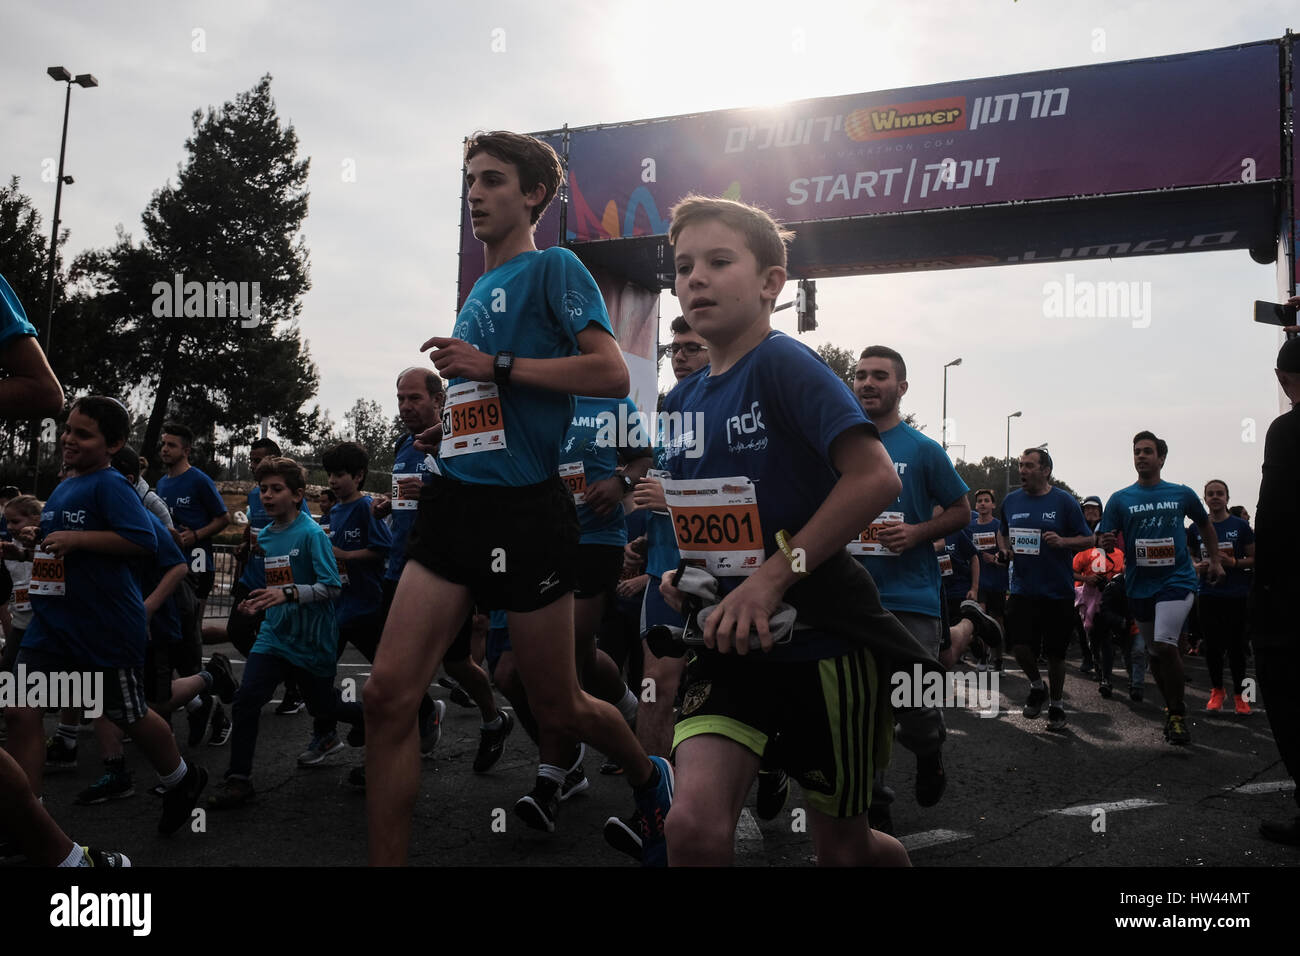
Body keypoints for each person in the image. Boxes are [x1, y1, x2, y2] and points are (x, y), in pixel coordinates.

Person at [363, 130, 672, 866]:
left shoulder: (555, 268)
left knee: (559, 703)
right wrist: (457, 425)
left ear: (534, 194)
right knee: (384, 696)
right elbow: (494, 401)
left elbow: (608, 375)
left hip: (528, 514)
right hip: (454, 506)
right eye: (469, 180)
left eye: (493, 180)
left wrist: (492, 365)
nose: (475, 192)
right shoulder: (477, 289)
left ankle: (647, 777)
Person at [656, 194, 941, 867]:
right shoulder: (680, 401)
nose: (695, 277)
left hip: (823, 645)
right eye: (683, 265)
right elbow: (714, 515)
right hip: (727, 649)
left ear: (770, 283)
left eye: (718, 261)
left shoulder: (787, 365)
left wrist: (768, 581)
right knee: (691, 829)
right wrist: (689, 574)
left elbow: (875, 478)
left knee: (845, 851)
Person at [4, 396, 208, 834]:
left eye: (83, 433)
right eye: (68, 430)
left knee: (127, 713)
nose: (68, 439)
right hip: (52, 623)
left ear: (114, 443)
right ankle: (28, 823)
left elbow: (142, 542)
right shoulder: (64, 486)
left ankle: (182, 779)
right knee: (20, 709)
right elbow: (61, 546)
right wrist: (32, 544)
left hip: (103, 627)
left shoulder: (111, 484)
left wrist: (76, 540)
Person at [851, 345, 990, 822]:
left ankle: (930, 752)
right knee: (862, 713)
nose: (868, 383)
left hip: (910, 601)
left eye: (880, 376)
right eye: (861, 375)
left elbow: (961, 511)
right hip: (850, 600)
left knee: (915, 712)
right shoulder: (838, 445)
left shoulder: (923, 449)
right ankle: (875, 808)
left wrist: (915, 533)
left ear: (901, 388)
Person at [208, 456, 357, 807]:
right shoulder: (268, 538)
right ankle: (239, 780)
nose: (267, 496)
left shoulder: (310, 534)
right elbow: (278, 585)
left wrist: (287, 593)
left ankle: (373, 720)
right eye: (263, 489)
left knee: (325, 704)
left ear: (298, 494)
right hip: (275, 635)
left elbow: (332, 587)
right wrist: (257, 603)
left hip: (312, 639)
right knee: (247, 701)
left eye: (277, 489)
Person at [1099, 431, 1224, 746]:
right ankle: (1170, 707)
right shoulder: (1120, 498)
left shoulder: (1180, 494)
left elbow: (1205, 525)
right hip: (1139, 585)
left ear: (1161, 458)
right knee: (1155, 652)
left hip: (1177, 580)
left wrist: (1216, 561)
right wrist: (1105, 541)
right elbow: (1103, 537)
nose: (1141, 456)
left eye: (1147, 451)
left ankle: (1179, 713)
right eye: (1137, 452)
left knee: (1165, 645)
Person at [999, 448, 1094, 731]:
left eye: (1029, 466)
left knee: (1056, 655)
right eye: (1020, 465)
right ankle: (1036, 686)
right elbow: (1002, 532)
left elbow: (1088, 539)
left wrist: (1064, 542)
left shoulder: (1064, 501)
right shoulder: (1011, 501)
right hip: (1022, 589)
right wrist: (1005, 550)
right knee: (1017, 645)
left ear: (1045, 470)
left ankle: (1056, 704)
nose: (1022, 471)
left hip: (1057, 592)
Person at [1249, 336, 1300, 845]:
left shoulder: (1286, 431)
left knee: (1287, 702)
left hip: (1289, 602)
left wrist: (1262, 593)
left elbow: (1276, 517)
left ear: (1285, 381)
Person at [1188, 479, 1254, 714]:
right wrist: (1198, 566)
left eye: (1220, 493)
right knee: (1213, 647)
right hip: (1208, 594)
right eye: (1210, 494)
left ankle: (1241, 696)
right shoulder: (1196, 528)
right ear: (1204, 499)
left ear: (1227, 498)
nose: (1215, 497)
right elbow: (1191, 557)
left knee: (1237, 648)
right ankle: (1217, 691)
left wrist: (1234, 562)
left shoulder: (1240, 526)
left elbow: (1254, 558)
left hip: (1236, 595)